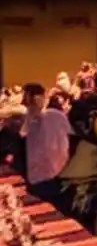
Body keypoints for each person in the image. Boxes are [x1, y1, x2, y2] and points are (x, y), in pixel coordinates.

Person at [20, 84, 72, 212]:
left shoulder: (51, 116)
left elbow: (23, 134)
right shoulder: (56, 115)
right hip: (55, 174)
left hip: (46, 176)